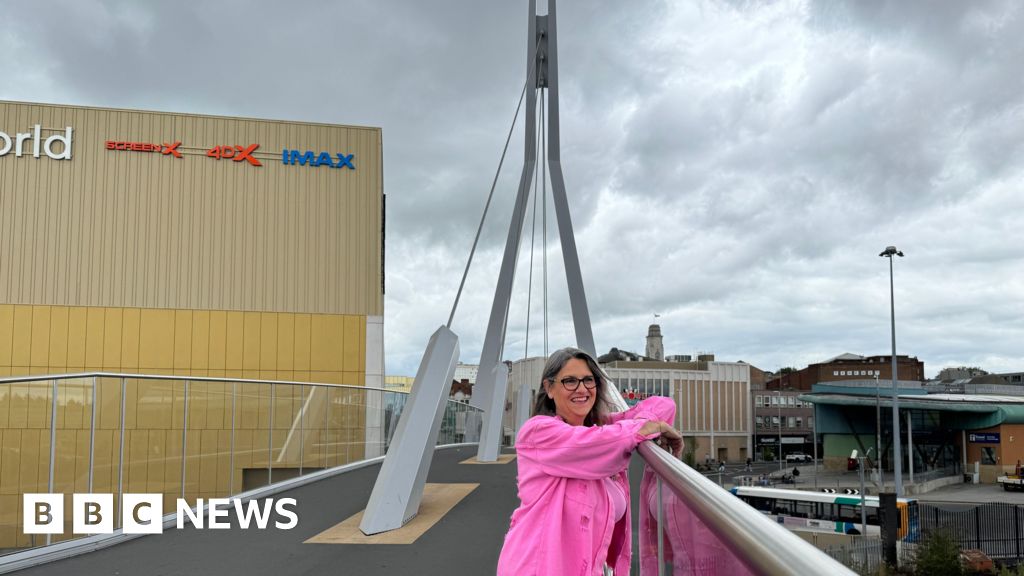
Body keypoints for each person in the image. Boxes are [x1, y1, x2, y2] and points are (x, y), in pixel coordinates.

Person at [497, 347, 681, 576]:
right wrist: (644, 427)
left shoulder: (601, 430)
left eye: (588, 380)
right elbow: (605, 442)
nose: (582, 388)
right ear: (549, 388)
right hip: (537, 566)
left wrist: (646, 425)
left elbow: (664, 405)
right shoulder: (538, 433)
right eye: (570, 381)